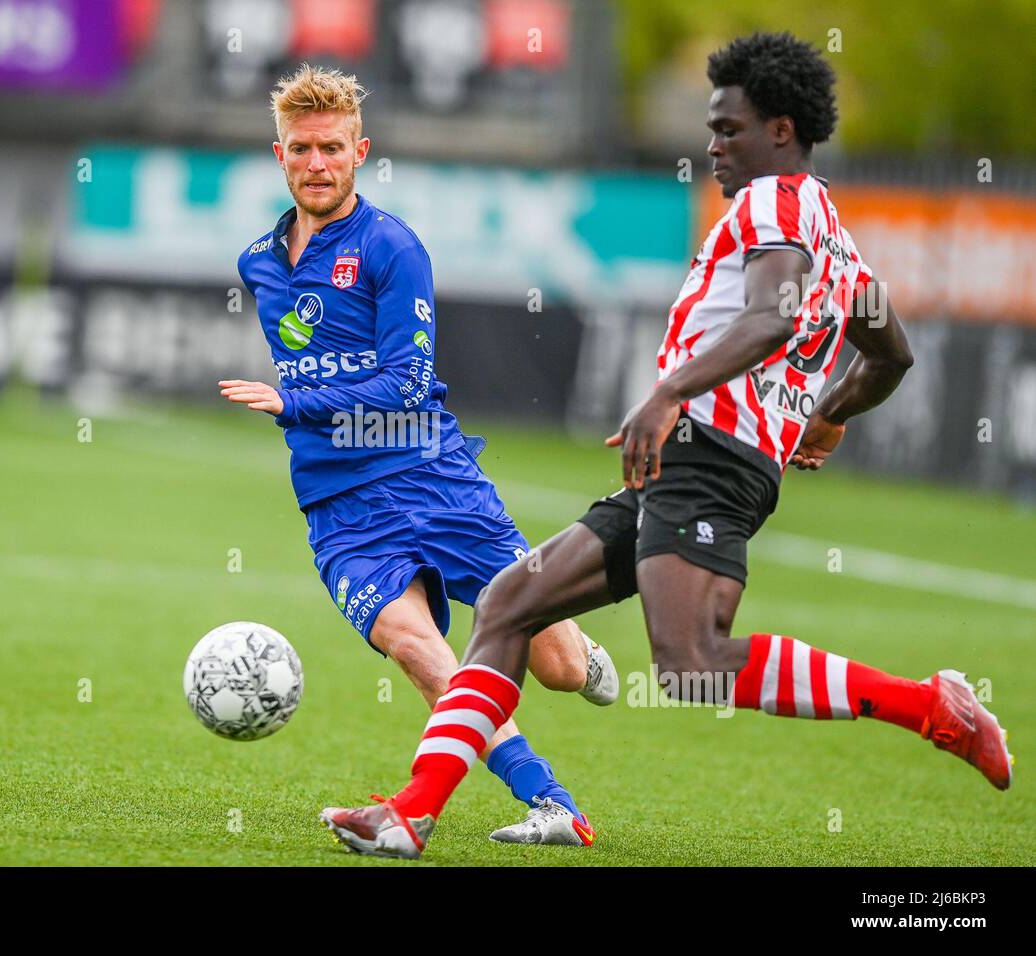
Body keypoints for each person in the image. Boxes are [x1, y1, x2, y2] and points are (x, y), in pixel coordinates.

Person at [321, 32, 1012, 860]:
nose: (713, 145)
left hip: (713, 456)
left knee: (691, 660)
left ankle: (934, 707)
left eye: (729, 128)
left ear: (783, 131)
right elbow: (891, 351)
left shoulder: (773, 203)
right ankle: (411, 812)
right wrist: (829, 411)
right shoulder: (832, 230)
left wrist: (670, 391)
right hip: (691, 463)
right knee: (510, 604)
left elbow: (773, 315)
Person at [223, 64, 620, 847]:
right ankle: (552, 801)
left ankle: (583, 648)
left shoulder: (392, 246)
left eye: (331, 148)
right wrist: (305, 412)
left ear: (359, 151)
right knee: (416, 647)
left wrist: (295, 403)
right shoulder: (258, 263)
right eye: (300, 149)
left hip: (430, 475)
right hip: (339, 507)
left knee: (560, 669)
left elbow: (407, 382)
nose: (316, 164)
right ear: (280, 157)